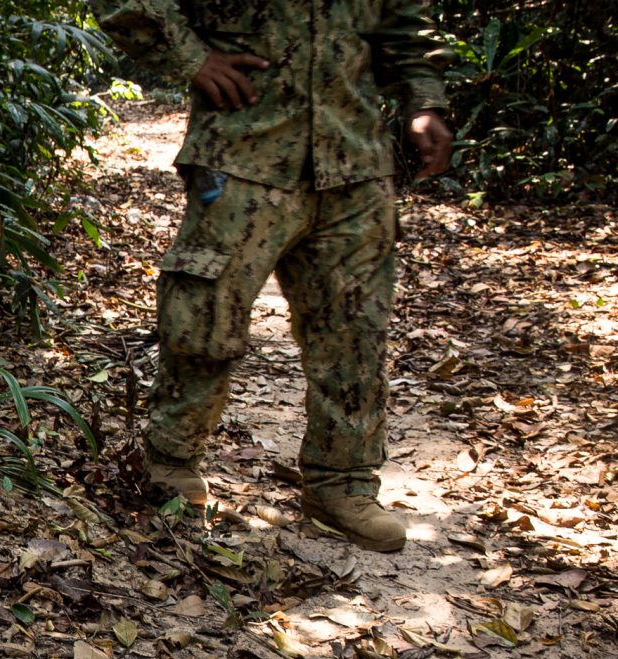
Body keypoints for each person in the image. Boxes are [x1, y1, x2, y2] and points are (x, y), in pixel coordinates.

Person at [91, 0, 453, 552]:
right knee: (205, 317)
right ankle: (170, 461)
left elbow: (403, 20)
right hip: (243, 149)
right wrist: (190, 56)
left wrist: (423, 103)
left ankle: (342, 485)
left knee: (354, 332)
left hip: (354, 157)